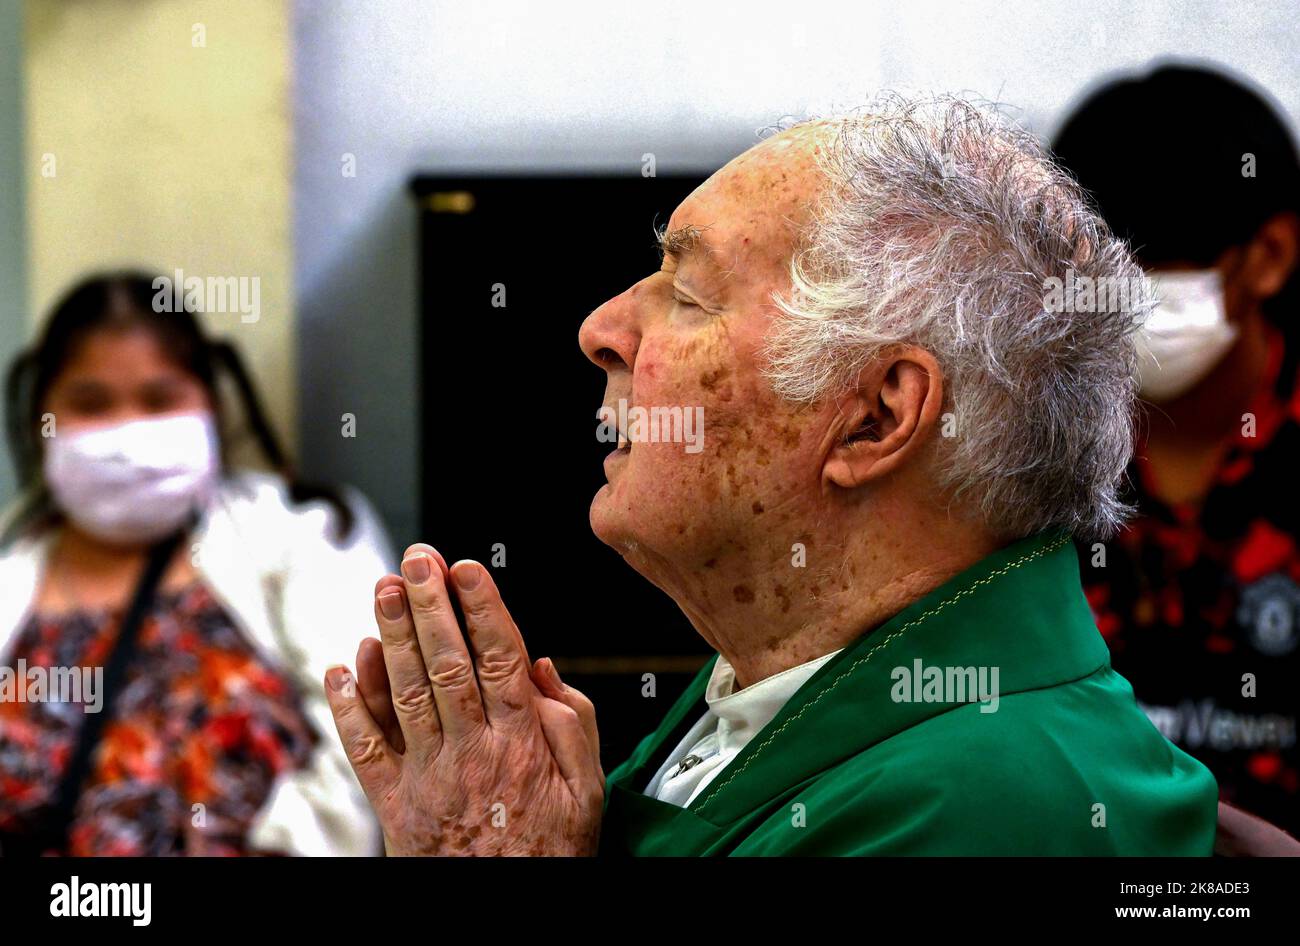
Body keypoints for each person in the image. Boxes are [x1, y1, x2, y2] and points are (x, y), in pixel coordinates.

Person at [324, 95, 1218, 855]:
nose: (599, 328)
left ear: (874, 419)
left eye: (687, 293)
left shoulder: (977, 809)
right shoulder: (793, 680)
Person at [0, 273, 389, 856]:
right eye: (90, 403)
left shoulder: (305, 536)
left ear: (209, 404)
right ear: (41, 419)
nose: (127, 431)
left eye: (159, 400)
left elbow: (374, 738)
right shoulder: (11, 576)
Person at [1053, 64, 1300, 837]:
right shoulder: (1026, 458)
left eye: (1156, 269)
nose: (1118, 303)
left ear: (1268, 254)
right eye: (1091, 272)